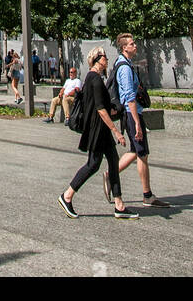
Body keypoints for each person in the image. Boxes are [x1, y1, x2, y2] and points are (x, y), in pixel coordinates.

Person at [58, 48, 136, 220]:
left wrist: (113, 110)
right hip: (98, 129)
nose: (107, 60)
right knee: (93, 164)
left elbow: (100, 106)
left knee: (113, 162)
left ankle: (119, 205)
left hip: (101, 129)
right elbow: (100, 109)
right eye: (105, 57)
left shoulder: (94, 78)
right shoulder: (94, 79)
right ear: (97, 59)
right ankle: (67, 195)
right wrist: (117, 132)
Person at [113, 33, 169, 208]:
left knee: (136, 151)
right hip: (132, 114)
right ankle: (147, 195)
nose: (135, 45)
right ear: (124, 48)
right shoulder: (123, 68)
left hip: (132, 113)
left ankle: (110, 174)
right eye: (132, 43)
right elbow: (129, 97)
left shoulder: (125, 64)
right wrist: (137, 122)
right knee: (142, 154)